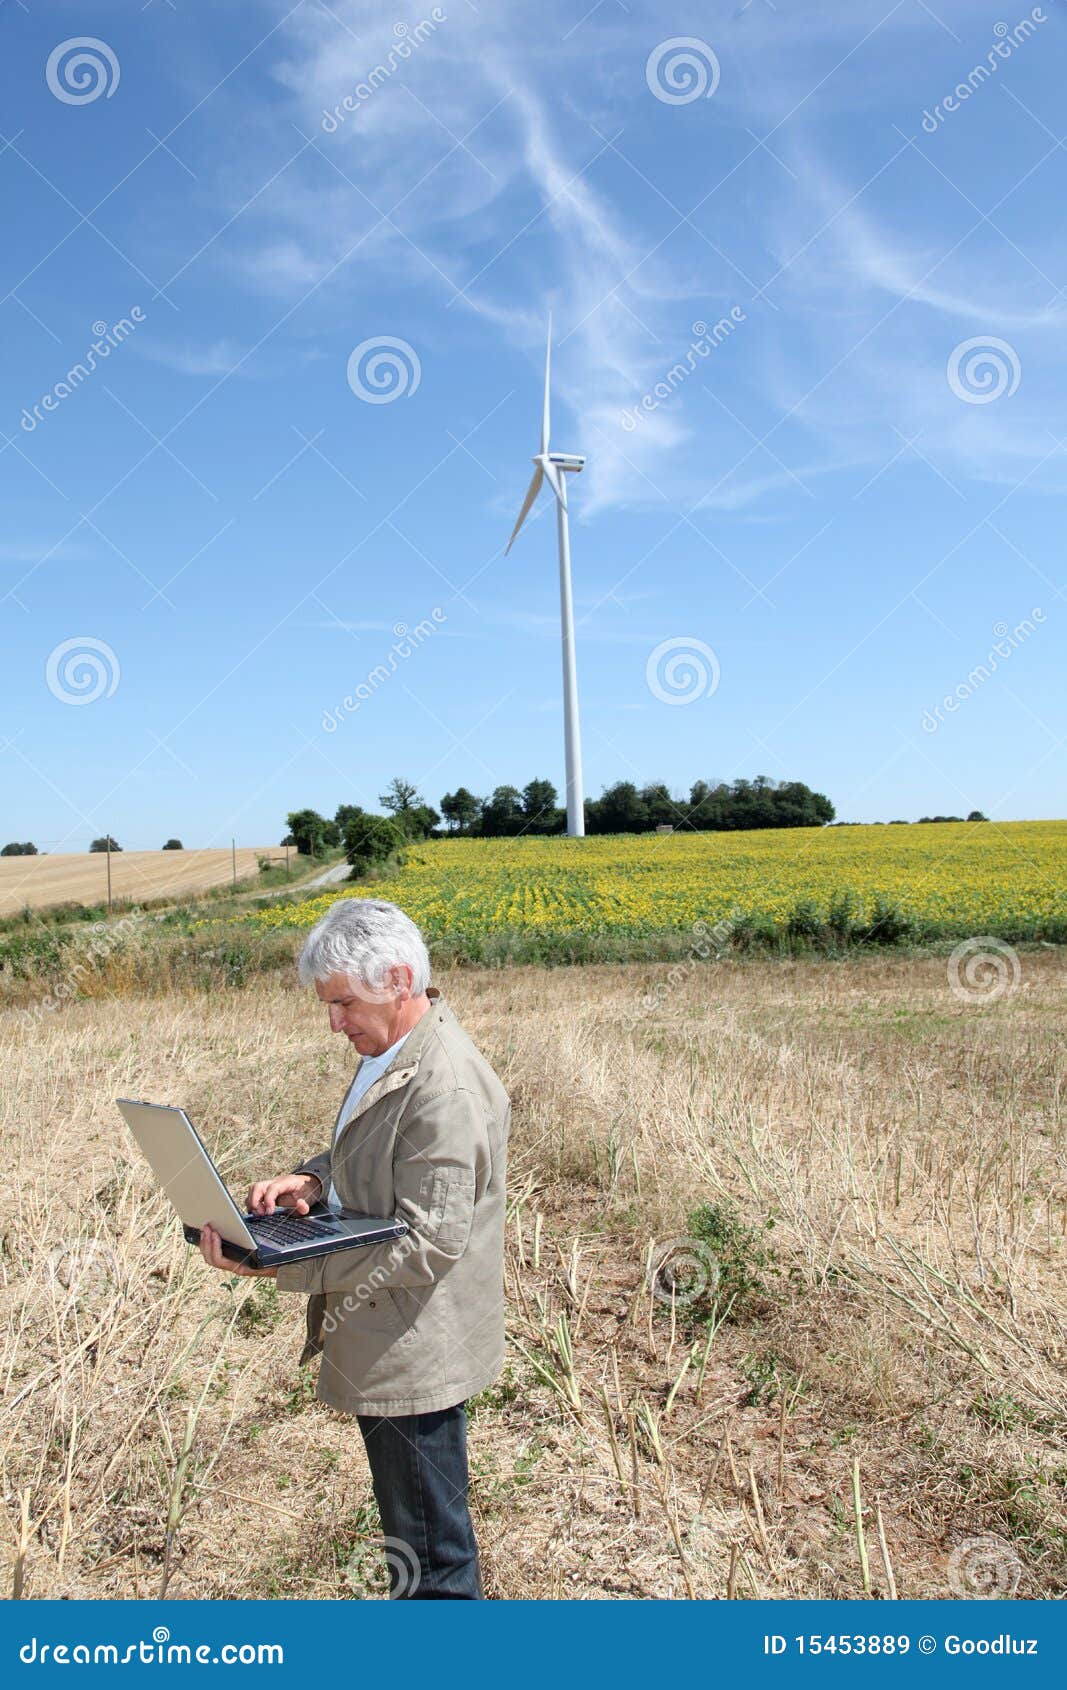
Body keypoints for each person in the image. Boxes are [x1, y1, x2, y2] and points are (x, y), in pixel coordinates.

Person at [198, 897, 509, 1599]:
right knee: (416, 1537)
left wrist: (277, 1255)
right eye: (328, 1004)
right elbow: (372, 1149)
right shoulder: (397, 1050)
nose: (333, 1022)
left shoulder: (444, 1087)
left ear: (400, 981)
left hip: (414, 1347)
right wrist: (311, 1179)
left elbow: (429, 1243)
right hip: (388, 1333)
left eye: (343, 1003)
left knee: (431, 1558)